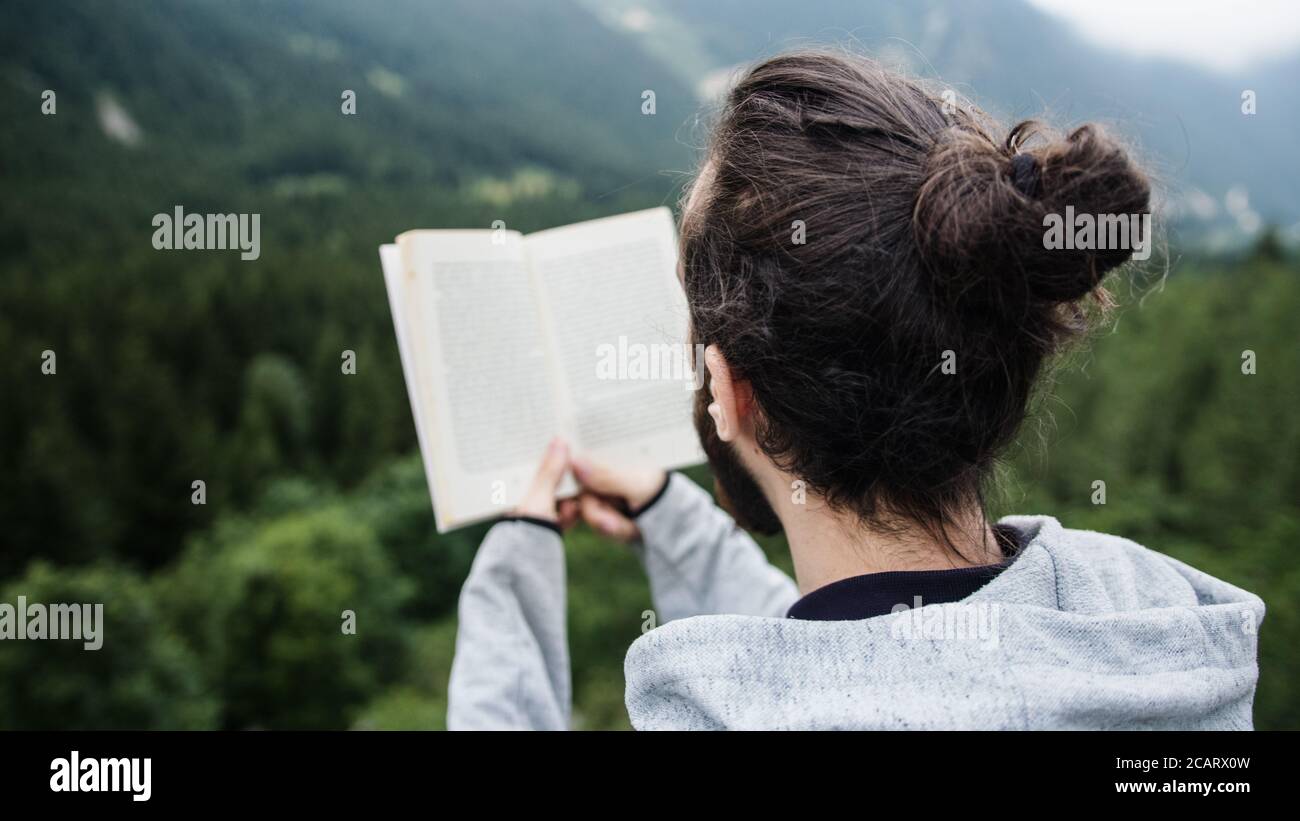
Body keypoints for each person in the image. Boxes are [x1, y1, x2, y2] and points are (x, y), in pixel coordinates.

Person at [445, 50, 1264, 730]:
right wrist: (668, 515)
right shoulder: (1151, 624)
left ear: (729, 393)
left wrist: (517, 558)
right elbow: (867, 663)